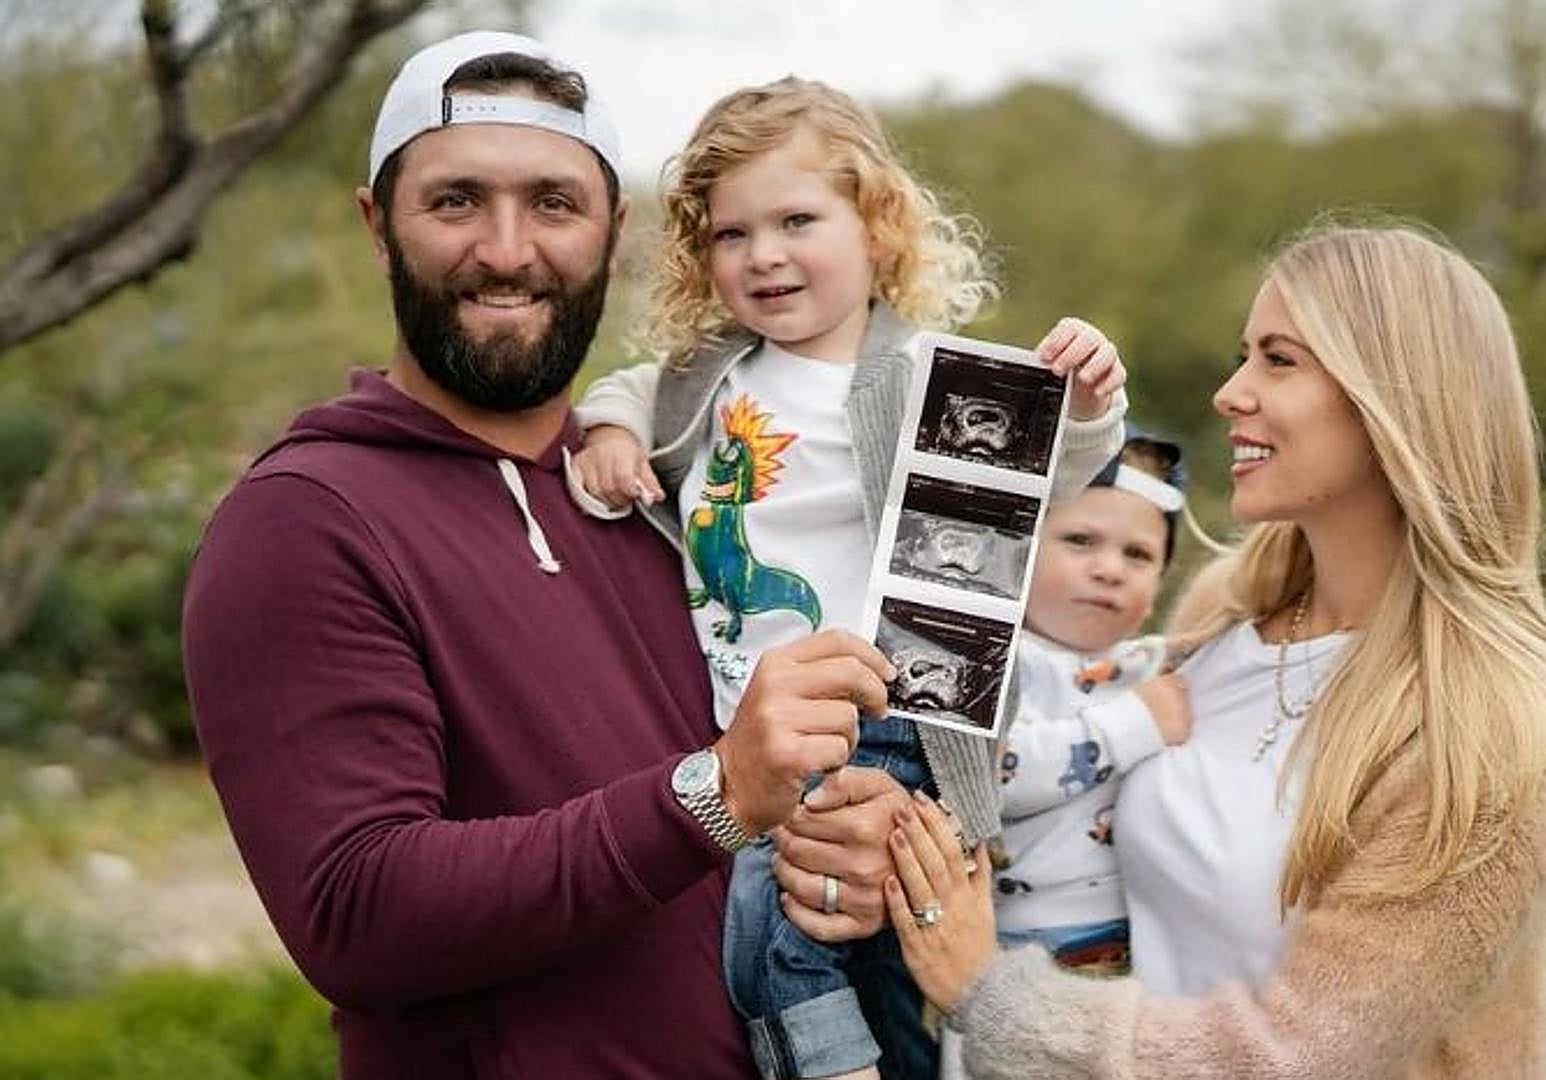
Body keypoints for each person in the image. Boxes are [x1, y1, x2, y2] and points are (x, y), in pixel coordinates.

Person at [182, 32, 887, 1079]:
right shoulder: (305, 522)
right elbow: (356, 912)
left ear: (614, 232)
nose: (508, 251)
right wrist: (716, 795)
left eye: (554, 204)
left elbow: (749, 812)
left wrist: (843, 844)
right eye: (456, 201)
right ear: (379, 228)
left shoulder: (658, 491)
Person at [881, 224, 1546, 1078]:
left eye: (1279, 360)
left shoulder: (1489, 729)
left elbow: (1296, 1057)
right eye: (1244, 357)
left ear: (1393, 397)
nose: (1230, 394)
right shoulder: (1228, 611)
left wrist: (990, 990)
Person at [564, 77, 1129, 1080]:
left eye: (796, 221)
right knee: (875, 969)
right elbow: (627, 388)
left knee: (776, 926)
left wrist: (1085, 407)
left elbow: (1049, 477)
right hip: (747, 721)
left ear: (875, 227)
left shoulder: (925, 377)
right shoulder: (709, 374)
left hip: (885, 709)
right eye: (731, 234)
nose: (763, 254)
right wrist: (610, 431)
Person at [990, 433, 1191, 971]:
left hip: (1154, 948)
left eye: (1138, 554)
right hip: (1020, 949)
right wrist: (1133, 723)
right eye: (1080, 541)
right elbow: (991, 779)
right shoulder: (997, 660)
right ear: (1019, 548)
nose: (1110, 569)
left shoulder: (1158, 665)